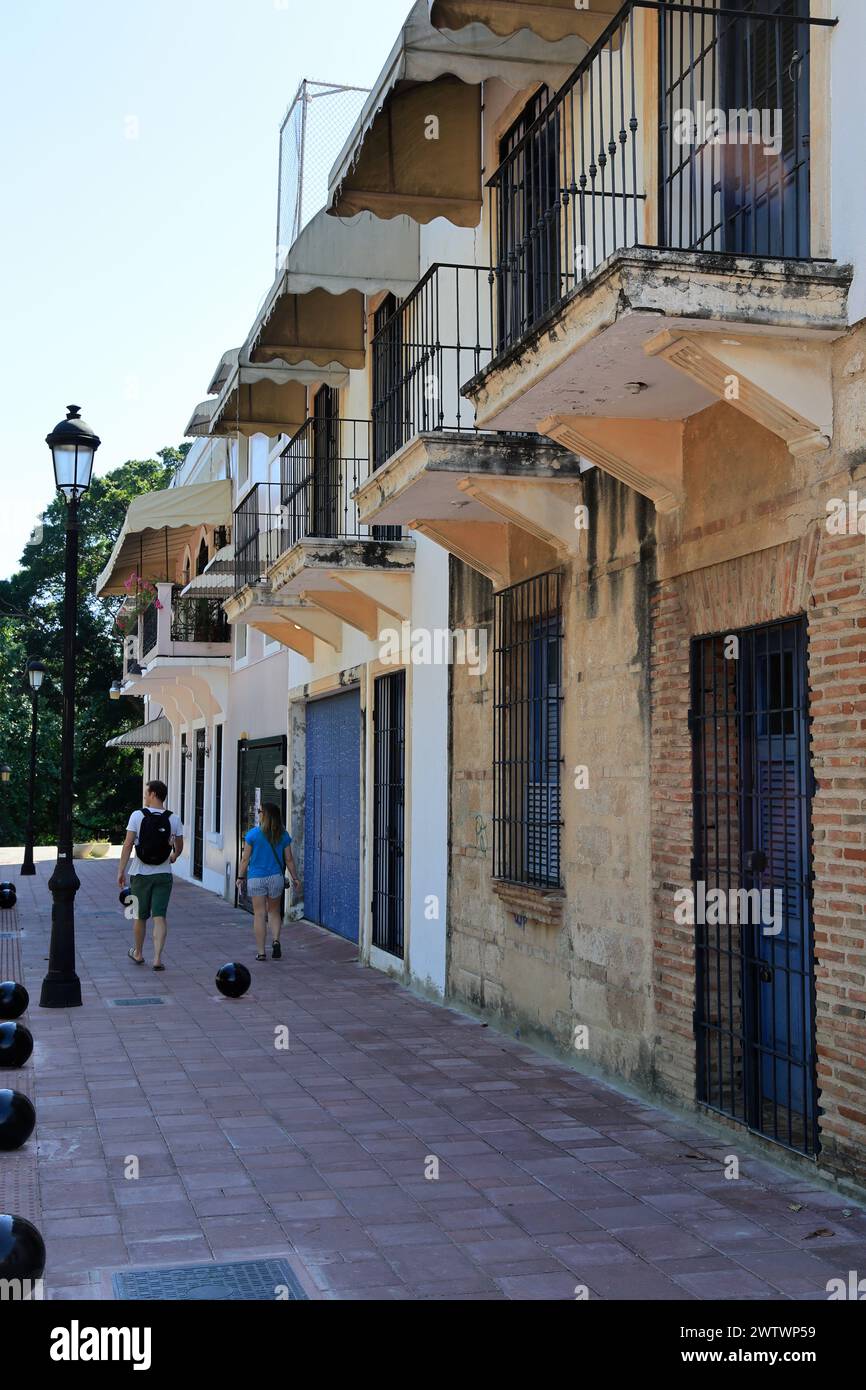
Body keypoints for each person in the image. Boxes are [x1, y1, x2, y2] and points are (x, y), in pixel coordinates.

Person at [117, 779, 184, 972]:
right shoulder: (174, 818)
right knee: (160, 917)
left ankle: (138, 952)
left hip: (140, 874)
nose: (145, 796)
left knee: (139, 916)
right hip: (163, 874)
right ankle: (157, 958)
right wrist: (174, 856)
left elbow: (128, 844)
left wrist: (121, 870)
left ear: (154, 793)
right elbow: (179, 845)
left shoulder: (137, 816)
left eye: (147, 793)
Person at [236, 802, 300, 961]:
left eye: (259, 811)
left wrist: (240, 877)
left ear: (264, 814)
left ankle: (261, 952)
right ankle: (276, 940)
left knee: (259, 914)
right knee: (274, 912)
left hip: (256, 878)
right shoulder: (283, 835)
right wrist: (295, 878)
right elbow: (289, 859)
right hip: (276, 878)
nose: (258, 813)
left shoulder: (252, 834)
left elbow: (245, 859)